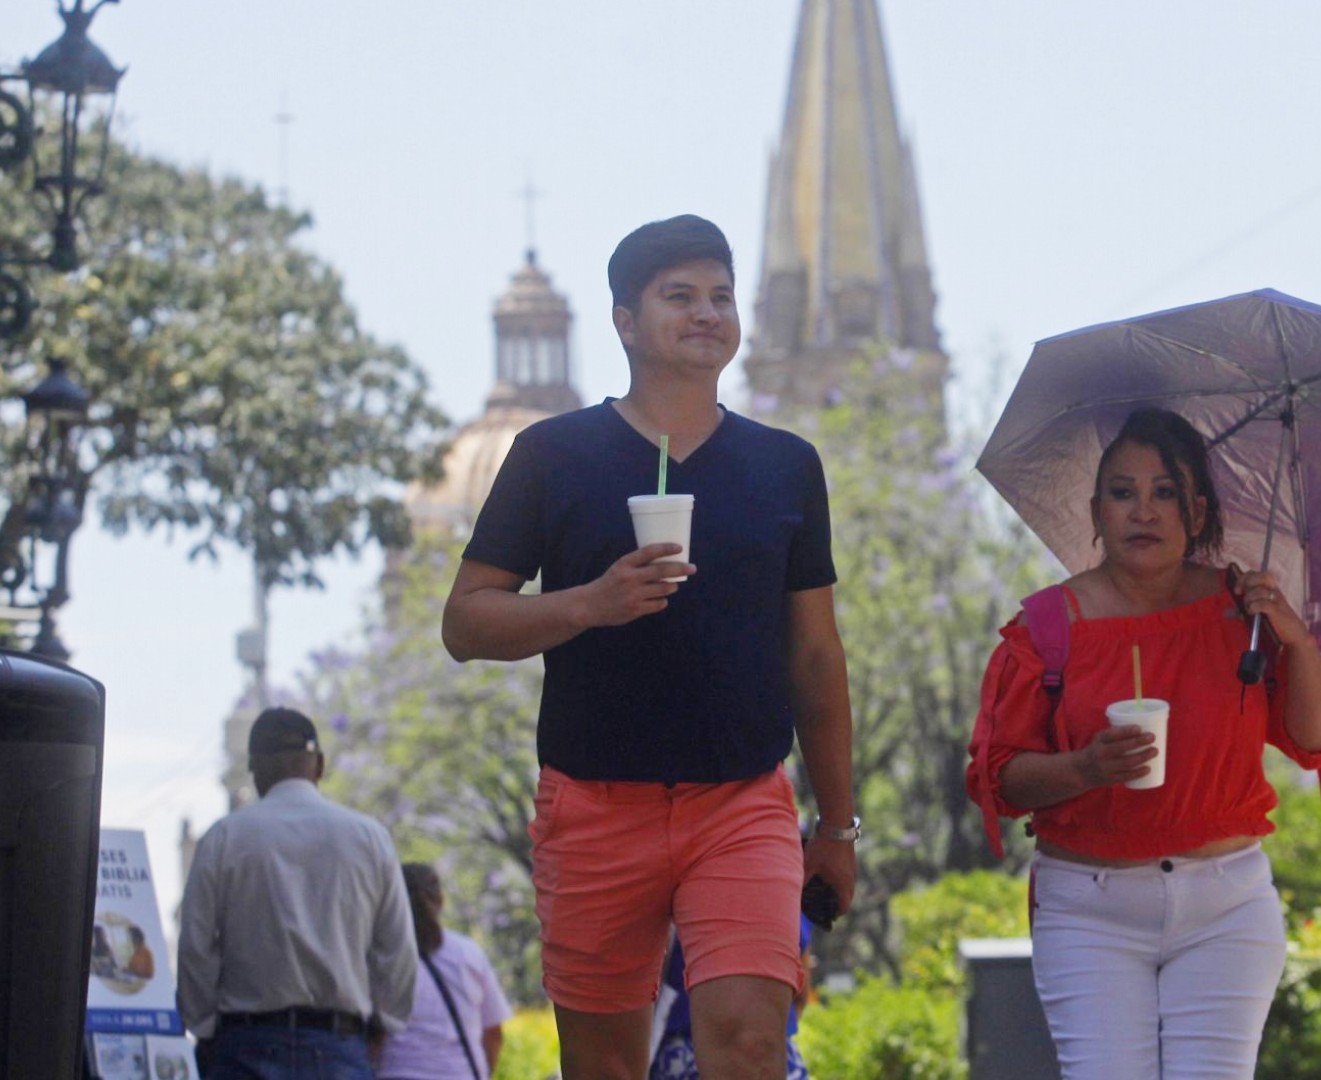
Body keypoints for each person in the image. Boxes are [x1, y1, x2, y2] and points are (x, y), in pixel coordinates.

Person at [441, 213, 857, 1080]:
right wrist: (591, 602)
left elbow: (816, 655)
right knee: (604, 1068)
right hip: (593, 805)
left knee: (750, 1042)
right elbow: (467, 621)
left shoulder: (785, 466)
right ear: (626, 321)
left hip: (741, 802)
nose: (707, 313)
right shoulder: (553, 455)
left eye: (721, 296)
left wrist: (839, 826)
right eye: (680, 297)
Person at [966, 407, 1321, 1080]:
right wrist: (1085, 767)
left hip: (1228, 907)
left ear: (1197, 511)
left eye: (1164, 492)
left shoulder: (1244, 613)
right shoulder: (1048, 628)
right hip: (1089, 912)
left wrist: (1297, 638)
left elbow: (1315, 741)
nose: (1143, 510)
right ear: (1096, 509)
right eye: (1123, 492)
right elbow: (998, 780)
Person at [177, 707, 417, 1080]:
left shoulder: (224, 838)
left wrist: (205, 1027)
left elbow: (195, 947)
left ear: (254, 768)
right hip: (339, 1045)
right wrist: (382, 1025)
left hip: (243, 1045)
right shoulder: (369, 839)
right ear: (319, 764)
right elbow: (398, 949)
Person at [376, 864, 513, 1080]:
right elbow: (493, 1034)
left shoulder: (381, 954)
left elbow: (373, 1038)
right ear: (440, 901)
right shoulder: (468, 954)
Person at [649, 914, 813, 1080]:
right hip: (772, 1054)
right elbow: (800, 995)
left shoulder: (679, 904)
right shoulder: (788, 908)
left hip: (686, 1053)